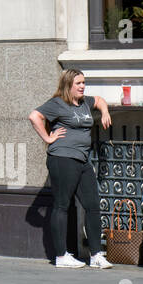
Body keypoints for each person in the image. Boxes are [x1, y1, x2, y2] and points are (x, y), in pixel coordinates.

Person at [27, 68, 113, 268]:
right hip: (62, 158)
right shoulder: (57, 104)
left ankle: (96, 255)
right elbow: (34, 116)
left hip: (83, 160)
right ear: (68, 85)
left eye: (84, 82)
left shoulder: (84, 103)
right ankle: (61, 256)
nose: (82, 86)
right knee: (62, 205)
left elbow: (99, 100)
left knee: (92, 205)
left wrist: (105, 111)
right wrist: (48, 138)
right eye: (78, 83)